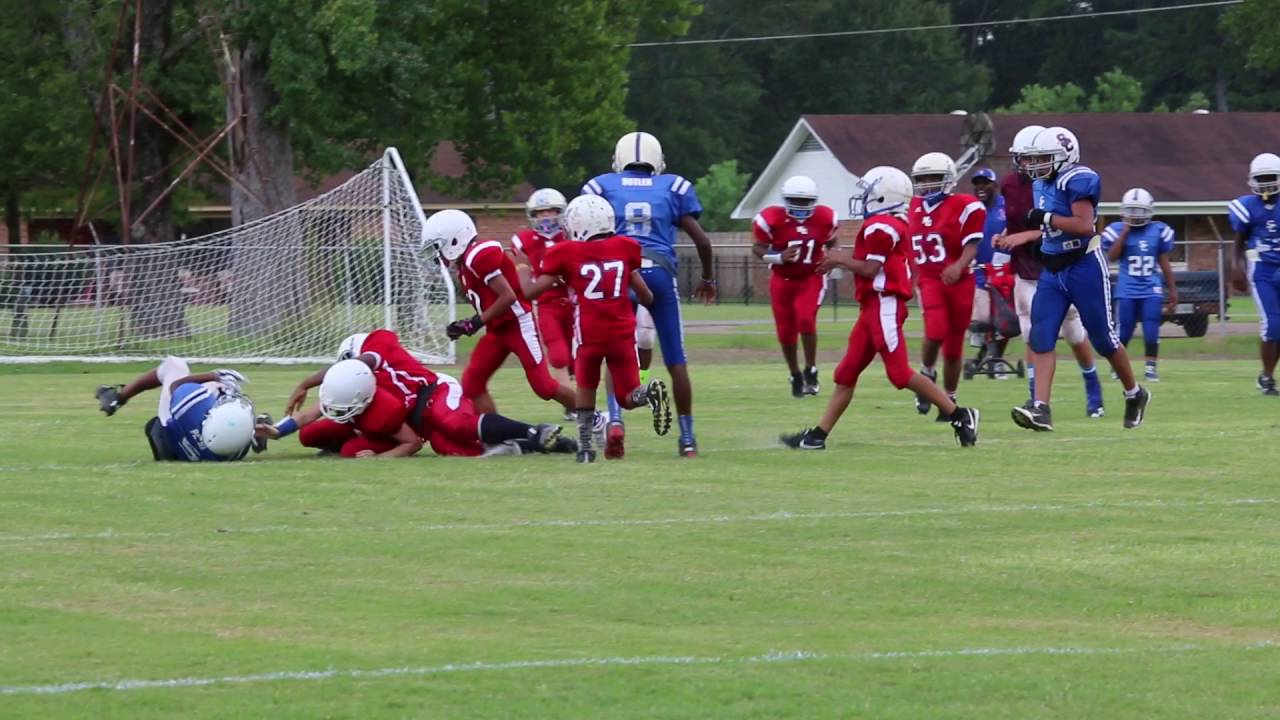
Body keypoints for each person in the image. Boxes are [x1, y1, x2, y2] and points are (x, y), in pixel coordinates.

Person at [781, 166, 980, 450]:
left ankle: (960, 415)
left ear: (886, 196)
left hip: (884, 303)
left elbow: (871, 267)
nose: (864, 197)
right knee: (846, 372)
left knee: (899, 374)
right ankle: (817, 436)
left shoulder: (883, 226)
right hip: (873, 306)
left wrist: (840, 259)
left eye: (869, 192)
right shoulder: (889, 223)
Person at [996, 126, 1150, 431]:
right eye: (1030, 158)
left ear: (1063, 156)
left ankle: (1135, 393)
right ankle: (1041, 408)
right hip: (1053, 269)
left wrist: (1047, 219)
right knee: (1041, 335)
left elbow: (1083, 225)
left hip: (1084, 265)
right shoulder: (1042, 182)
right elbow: (1047, 225)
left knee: (1103, 339)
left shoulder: (1078, 179)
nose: (1033, 165)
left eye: (1040, 158)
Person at [583, 131, 716, 458]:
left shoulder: (603, 187)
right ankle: (687, 439)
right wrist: (708, 277)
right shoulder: (673, 187)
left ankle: (616, 421)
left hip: (620, 274)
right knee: (676, 360)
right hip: (659, 273)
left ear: (618, 158)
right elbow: (702, 241)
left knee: (615, 353)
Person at [519, 194, 672, 462]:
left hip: (589, 334)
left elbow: (530, 292)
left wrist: (520, 264)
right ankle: (648, 393)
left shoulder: (566, 252)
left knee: (586, 387)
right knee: (627, 397)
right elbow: (647, 297)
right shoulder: (625, 247)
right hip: (623, 334)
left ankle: (586, 448)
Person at [268, 331, 570, 458]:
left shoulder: (374, 352)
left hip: (434, 391)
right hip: (416, 416)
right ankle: (526, 446)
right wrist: (277, 432)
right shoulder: (360, 383)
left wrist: (308, 381)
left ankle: (534, 430)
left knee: (452, 424)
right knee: (448, 447)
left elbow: (363, 364)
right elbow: (316, 409)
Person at [423, 208, 576, 415]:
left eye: (438, 247)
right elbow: (488, 302)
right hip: (498, 330)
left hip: (518, 324)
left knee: (544, 387)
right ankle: (496, 435)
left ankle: (594, 418)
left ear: (453, 240)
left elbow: (508, 296)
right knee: (472, 384)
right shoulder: (465, 265)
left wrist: (475, 322)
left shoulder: (478, 256)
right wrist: (465, 325)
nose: (438, 254)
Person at [1001, 125, 1105, 417]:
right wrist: (1006, 237)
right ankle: (1037, 400)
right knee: (1033, 334)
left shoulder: (1061, 180)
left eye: (1032, 157)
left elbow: (1055, 224)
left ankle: (1093, 387)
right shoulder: (1010, 184)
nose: (1027, 164)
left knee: (1074, 333)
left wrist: (1029, 235)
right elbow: (1017, 221)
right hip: (1026, 266)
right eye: (1024, 158)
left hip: (1060, 263)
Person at [907, 152, 986, 416]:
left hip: (961, 282)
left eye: (934, 177)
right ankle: (927, 374)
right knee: (935, 331)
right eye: (923, 178)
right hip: (929, 279)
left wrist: (959, 265)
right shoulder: (911, 206)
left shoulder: (965, 205)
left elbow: (973, 244)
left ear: (948, 179)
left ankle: (949, 400)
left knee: (953, 348)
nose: (928, 183)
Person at [751, 175, 838, 397]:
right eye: (795, 201)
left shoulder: (826, 217)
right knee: (786, 331)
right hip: (782, 279)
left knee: (806, 319)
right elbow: (758, 249)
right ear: (785, 199)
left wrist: (832, 258)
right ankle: (795, 374)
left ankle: (811, 369)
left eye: (805, 201)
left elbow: (831, 242)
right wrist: (779, 257)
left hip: (811, 277)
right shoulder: (770, 218)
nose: (800, 206)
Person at [95, 357, 265, 462]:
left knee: (175, 365)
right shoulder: (236, 449)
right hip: (197, 451)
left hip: (171, 435)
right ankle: (259, 430)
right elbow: (233, 428)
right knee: (232, 414)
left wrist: (216, 375)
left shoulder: (195, 410)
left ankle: (118, 398)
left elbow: (177, 386)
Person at [1101, 188, 1179, 382]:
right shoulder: (1118, 230)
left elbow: (1164, 262)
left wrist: (1173, 290)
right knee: (1124, 330)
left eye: (1139, 211)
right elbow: (1111, 257)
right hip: (1127, 287)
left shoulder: (1158, 230)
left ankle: (1151, 367)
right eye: (1131, 210)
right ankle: (1118, 367)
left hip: (1151, 287)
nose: (1135, 216)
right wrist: (1125, 233)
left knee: (1151, 328)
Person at [511, 188, 575, 414]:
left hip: (575, 302)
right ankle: (572, 405)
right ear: (532, 215)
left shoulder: (573, 234)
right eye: (540, 213)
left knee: (578, 357)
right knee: (558, 355)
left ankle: (573, 390)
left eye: (551, 211)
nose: (546, 217)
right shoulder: (524, 241)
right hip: (546, 303)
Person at [1228, 152, 1280, 396]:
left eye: (1271, 177)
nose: (1267, 182)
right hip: (1262, 270)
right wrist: (1236, 268)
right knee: (1272, 325)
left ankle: (1267, 375)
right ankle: (1267, 377)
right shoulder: (1247, 206)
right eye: (1263, 178)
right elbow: (1239, 241)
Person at [970, 167, 1011, 374]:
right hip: (978, 270)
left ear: (995, 185)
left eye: (985, 182)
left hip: (1003, 270)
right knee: (984, 318)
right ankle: (983, 356)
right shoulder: (970, 208)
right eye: (977, 183)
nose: (981, 187)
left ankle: (995, 360)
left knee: (1005, 322)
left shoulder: (1006, 206)